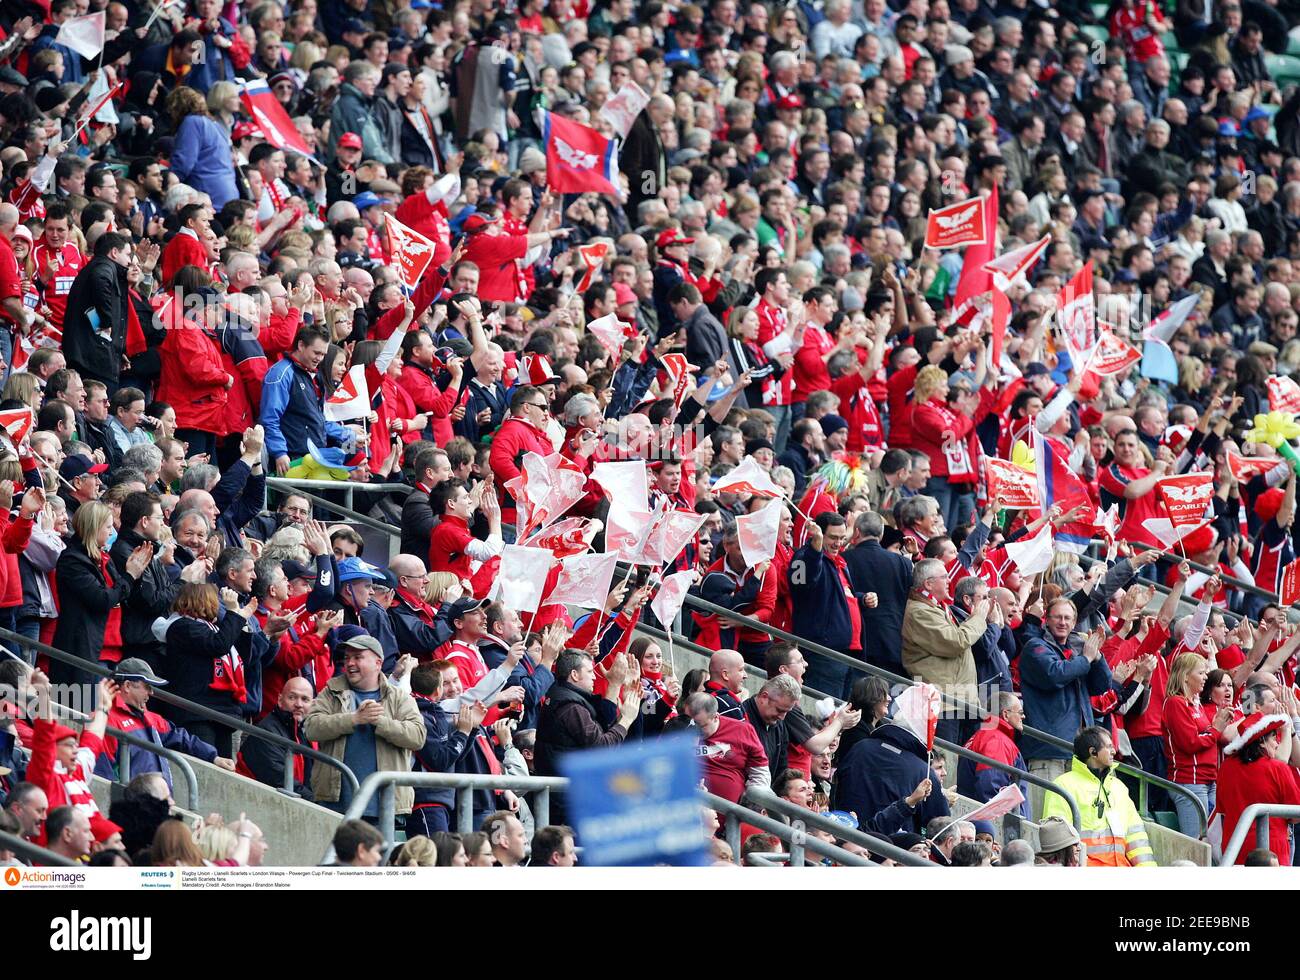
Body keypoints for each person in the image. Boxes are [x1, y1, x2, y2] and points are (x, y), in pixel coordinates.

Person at [303, 631, 426, 820]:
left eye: (358, 657)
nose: (350, 663)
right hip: (335, 805)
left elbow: (417, 737)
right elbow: (311, 728)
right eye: (347, 658)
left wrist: (380, 722)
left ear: (378, 663)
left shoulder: (399, 697)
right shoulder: (331, 691)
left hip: (383, 809)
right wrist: (353, 719)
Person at [97, 658, 233, 788]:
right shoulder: (107, 720)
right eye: (147, 686)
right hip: (133, 806)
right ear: (127, 686)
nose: (151, 692)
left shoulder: (150, 718)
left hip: (156, 802)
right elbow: (102, 775)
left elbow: (182, 738)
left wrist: (213, 756)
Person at [1040, 727, 1156, 867]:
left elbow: (1136, 837)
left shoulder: (1119, 787)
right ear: (1092, 752)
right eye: (1109, 746)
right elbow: (1058, 841)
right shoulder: (1063, 785)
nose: (1114, 751)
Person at [1217, 711, 1300, 865]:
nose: (1277, 744)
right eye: (1274, 737)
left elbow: (1222, 808)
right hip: (1270, 854)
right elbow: (1295, 814)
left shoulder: (1225, 767)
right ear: (1262, 741)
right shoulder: (1278, 768)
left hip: (1234, 849)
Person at [682, 691, 770, 803]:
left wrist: (752, 800)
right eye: (689, 722)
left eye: (700, 725)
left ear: (715, 717)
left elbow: (760, 771)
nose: (694, 729)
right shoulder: (679, 730)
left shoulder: (742, 730)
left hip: (731, 812)